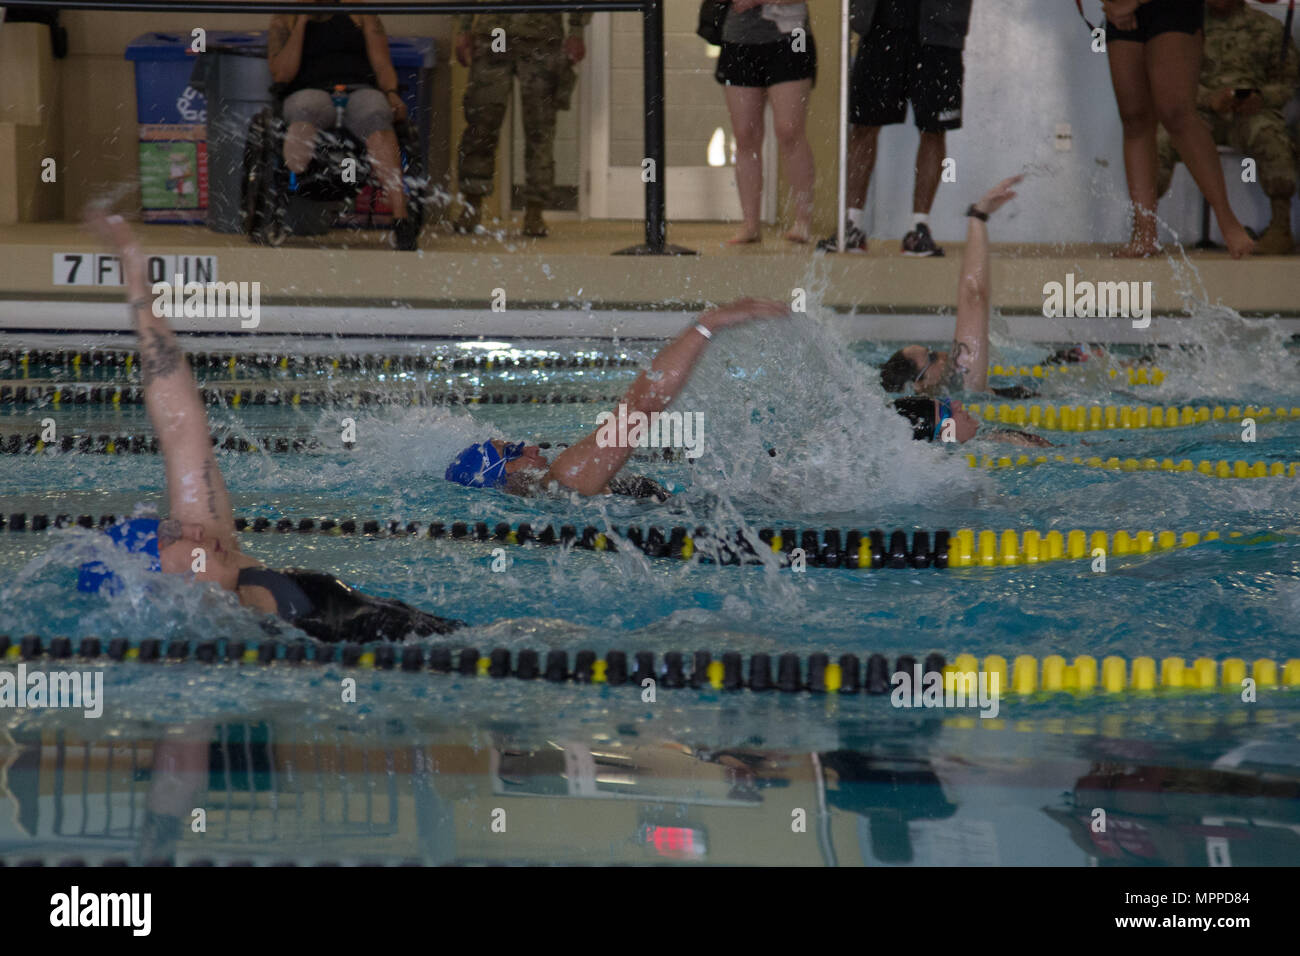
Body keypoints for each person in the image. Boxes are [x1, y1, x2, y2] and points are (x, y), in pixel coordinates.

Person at [79, 208, 462, 642]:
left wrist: (136, 281)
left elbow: (180, 423)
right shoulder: (204, 633)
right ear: (154, 582)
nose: (195, 526)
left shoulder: (224, 564)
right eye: (172, 534)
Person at [444, 298, 792, 496]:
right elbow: (640, 408)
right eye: (515, 452)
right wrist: (707, 325)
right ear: (503, 478)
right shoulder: (566, 477)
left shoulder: (557, 495)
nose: (533, 447)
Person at [875, 174, 1052, 447]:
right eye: (931, 358)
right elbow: (974, 297)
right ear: (919, 387)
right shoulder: (962, 385)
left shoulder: (954, 404)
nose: (944, 354)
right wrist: (978, 217)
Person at [818, 0, 973, 256]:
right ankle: (852, 225)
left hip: (939, 29)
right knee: (864, 125)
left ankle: (919, 227)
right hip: (880, 25)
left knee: (933, 129)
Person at [1102, 0, 1254, 258]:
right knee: (1134, 118)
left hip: (1172, 8)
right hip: (1120, 9)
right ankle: (1144, 234)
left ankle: (1228, 221)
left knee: (1177, 113)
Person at [268, 0, 419, 250]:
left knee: (377, 113)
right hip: (310, 90)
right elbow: (282, 74)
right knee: (305, 110)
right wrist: (303, 20)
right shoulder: (286, 17)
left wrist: (391, 92)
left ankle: (401, 219)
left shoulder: (362, 12)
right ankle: (284, 200)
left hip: (359, 89)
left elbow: (382, 63)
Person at [1156, 0, 1299, 255]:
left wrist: (1260, 98)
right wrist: (1208, 98)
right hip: (1198, 112)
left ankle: (1281, 228)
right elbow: (1171, 79)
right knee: (1160, 138)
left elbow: (1288, 82)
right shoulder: (1184, 29)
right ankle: (1144, 224)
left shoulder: (1269, 27)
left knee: (1271, 136)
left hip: (1249, 114)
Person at [452, 5, 590, 238]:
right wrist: (463, 28)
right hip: (495, 33)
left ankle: (535, 211)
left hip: (541, 35)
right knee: (482, 120)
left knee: (540, 127)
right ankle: (471, 204)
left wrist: (577, 30)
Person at [714, 0, 817, 245]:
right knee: (744, 134)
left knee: (789, 130)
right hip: (738, 40)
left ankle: (803, 220)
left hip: (792, 37)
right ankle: (750, 224)